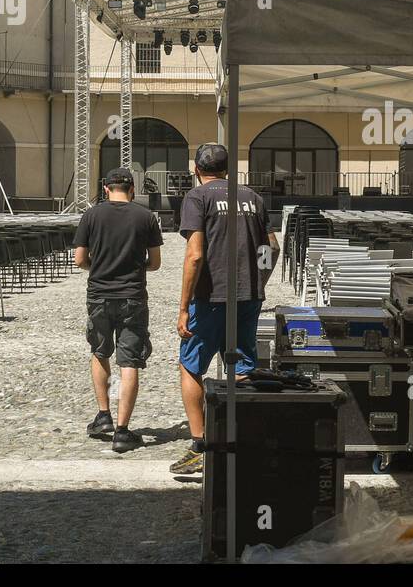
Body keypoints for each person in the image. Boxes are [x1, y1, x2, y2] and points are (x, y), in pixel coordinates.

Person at [170, 143, 279, 475]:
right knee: (242, 366)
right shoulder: (253, 197)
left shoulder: (197, 197)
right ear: (228, 168)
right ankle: (241, 438)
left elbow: (195, 255)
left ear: (196, 169)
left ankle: (201, 444)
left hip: (210, 297)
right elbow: (272, 246)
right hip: (248, 297)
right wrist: (258, 278)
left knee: (191, 365)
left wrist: (184, 306)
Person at [73, 167, 163, 453]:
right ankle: (123, 431)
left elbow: (79, 260)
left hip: (99, 295)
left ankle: (103, 416)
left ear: (105, 188)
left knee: (100, 353)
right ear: (133, 189)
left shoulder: (91, 215)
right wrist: (137, 268)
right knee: (130, 362)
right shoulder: (146, 217)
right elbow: (156, 262)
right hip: (133, 296)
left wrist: (97, 268)